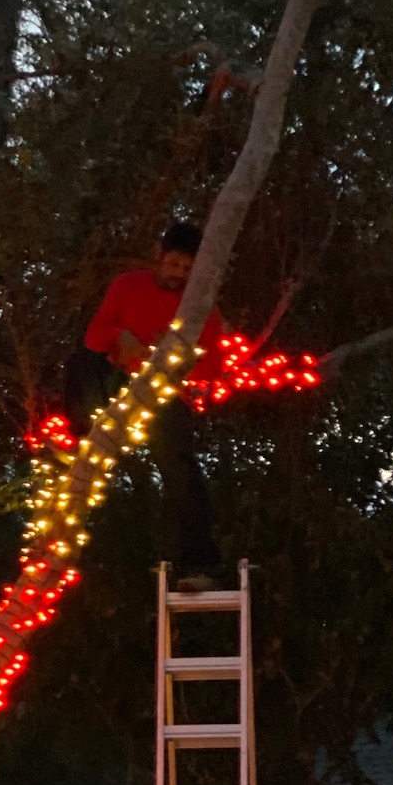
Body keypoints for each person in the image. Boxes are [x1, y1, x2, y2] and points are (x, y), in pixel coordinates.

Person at [65, 220, 225, 578]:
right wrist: (120, 337)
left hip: (167, 393)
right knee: (78, 363)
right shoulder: (128, 285)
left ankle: (197, 563)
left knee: (179, 468)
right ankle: (78, 438)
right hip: (118, 379)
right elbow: (94, 337)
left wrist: (171, 363)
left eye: (186, 269)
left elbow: (213, 368)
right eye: (173, 264)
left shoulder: (200, 306)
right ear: (159, 256)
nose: (178, 274)